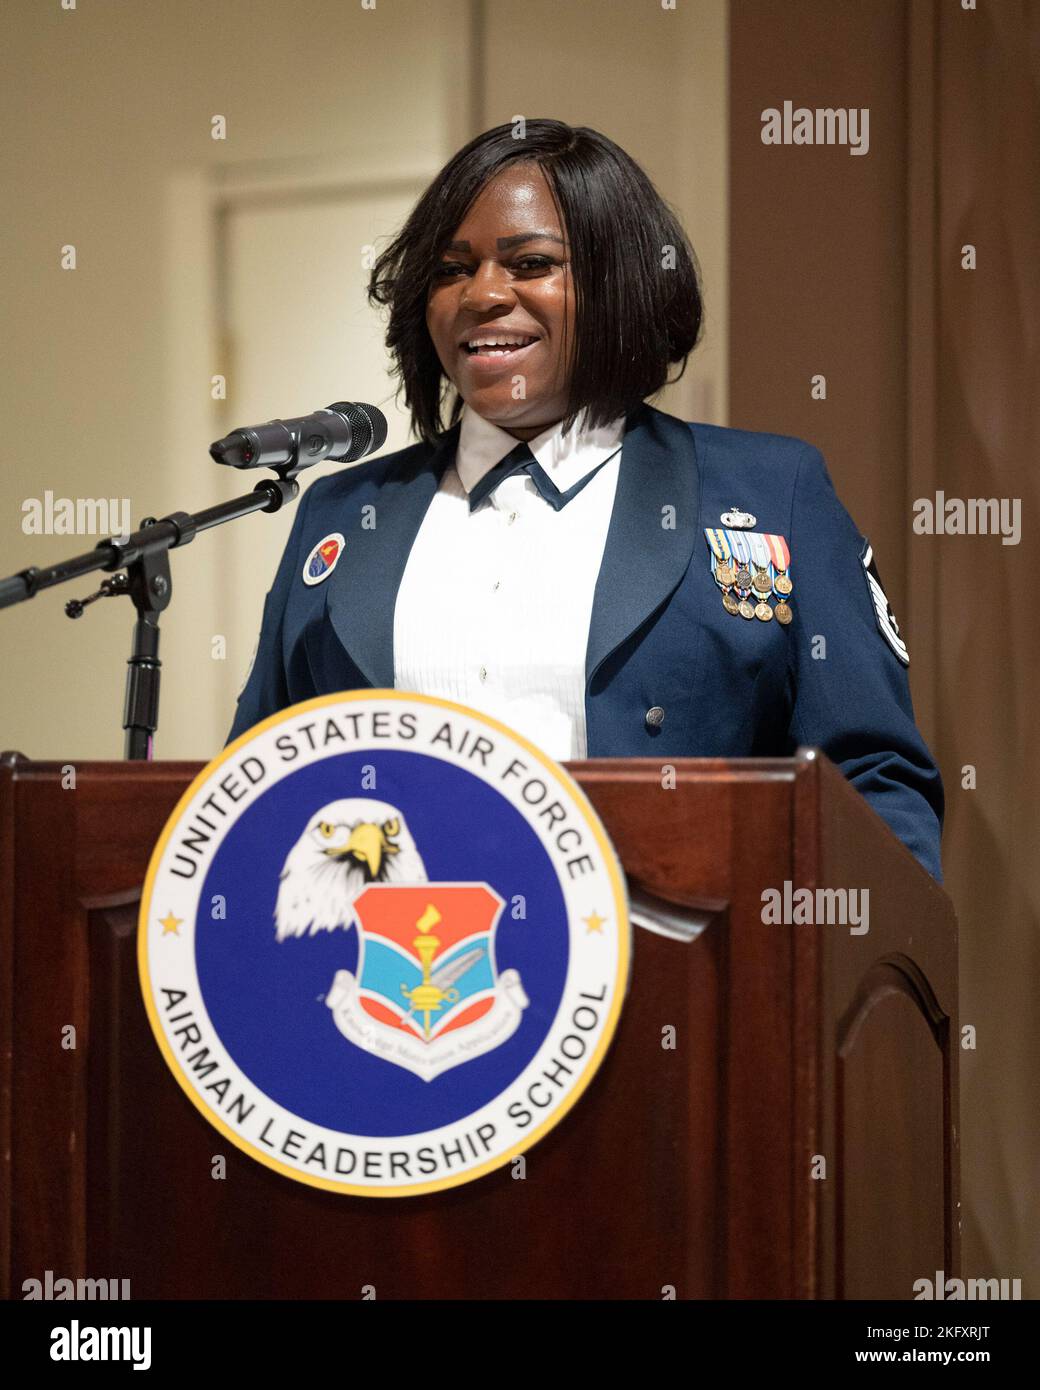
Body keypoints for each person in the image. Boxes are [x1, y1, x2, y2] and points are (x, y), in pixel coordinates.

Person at [226, 119, 944, 883]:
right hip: (393, 981)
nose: (483, 295)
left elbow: (874, 784)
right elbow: (253, 787)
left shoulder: (773, 493)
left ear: (620, 283)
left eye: (531, 263)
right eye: (450, 269)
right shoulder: (343, 512)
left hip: (683, 973)